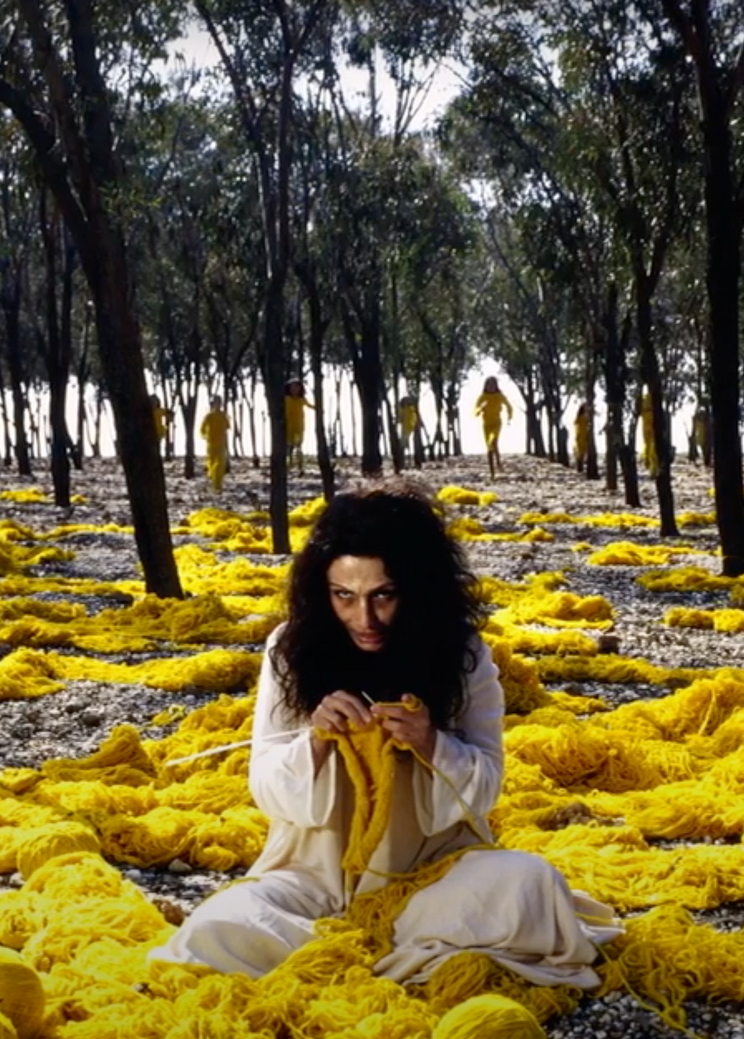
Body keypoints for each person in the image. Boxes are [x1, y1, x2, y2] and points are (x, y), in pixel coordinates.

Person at [149, 480, 620, 985]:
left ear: (417, 589)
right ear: (322, 591)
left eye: (384, 596)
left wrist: (431, 743)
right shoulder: (289, 648)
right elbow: (265, 785)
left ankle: (362, 951)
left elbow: (485, 789)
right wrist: (316, 742)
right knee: (216, 926)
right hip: (312, 883)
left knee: (532, 885)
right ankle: (397, 955)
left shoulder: (463, 653)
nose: (365, 618)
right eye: (344, 597)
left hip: (429, 877)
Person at [473, 377, 513, 479]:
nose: (491, 387)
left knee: (492, 442)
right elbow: (475, 410)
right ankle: (493, 472)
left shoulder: (499, 396)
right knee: (490, 448)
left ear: (496, 386)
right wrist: (480, 409)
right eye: (489, 385)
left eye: (493, 385)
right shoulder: (482, 397)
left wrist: (509, 416)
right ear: (485, 386)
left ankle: (498, 463)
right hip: (486, 425)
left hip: (496, 423)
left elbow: (509, 406)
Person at [200, 396, 230, 493]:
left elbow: (226, 429)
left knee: (220, 465)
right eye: (215, 402)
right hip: (211, 444)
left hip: (221, 445)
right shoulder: (209, 416)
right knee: (212, 464)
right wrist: (206, 437)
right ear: (212, 404)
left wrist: (226, 445)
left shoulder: (224, 416)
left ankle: (218, 487)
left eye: (219, 402)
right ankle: (214, 484)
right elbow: (202, 430)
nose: (218, 404)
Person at [283, 380, 313, 475]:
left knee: (299, 446)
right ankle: (289, 466)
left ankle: (300, 467)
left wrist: (318, 408)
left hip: (299, 426)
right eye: (292, 387)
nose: (295, 389)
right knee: (289, 447)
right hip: (288, 426)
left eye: (297, 387)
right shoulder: (286, 399)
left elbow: (310, 406)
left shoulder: (302, 399)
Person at [573, 402, 592, 473]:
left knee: (583, 451)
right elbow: (576, 423)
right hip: (581, 434)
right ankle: (579, 467)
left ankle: (580, 467)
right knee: (581, 451)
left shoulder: (585, 416)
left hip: (584, 434)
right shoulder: (580, 416)